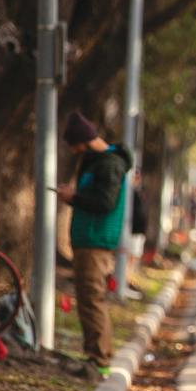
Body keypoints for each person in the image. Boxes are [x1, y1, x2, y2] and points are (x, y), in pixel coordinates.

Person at [56, 113, 133, 364]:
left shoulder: (109, 165)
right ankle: (94, 353)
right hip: (86, 239)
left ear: (84, 142)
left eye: (76, 147)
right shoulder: (95, 162)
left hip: (96, 239)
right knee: (87, 298)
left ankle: (99, 358)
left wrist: (73, 198)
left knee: (92, 298)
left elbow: (105, 202)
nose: (76, 153)